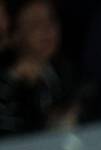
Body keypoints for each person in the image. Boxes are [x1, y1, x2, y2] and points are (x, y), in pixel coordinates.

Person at [0, 0, 84, 137]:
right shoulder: (5, 89)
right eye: (34, 23)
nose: (47, 29)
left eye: (51, 19)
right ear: (15, 35)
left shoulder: (64, 72)